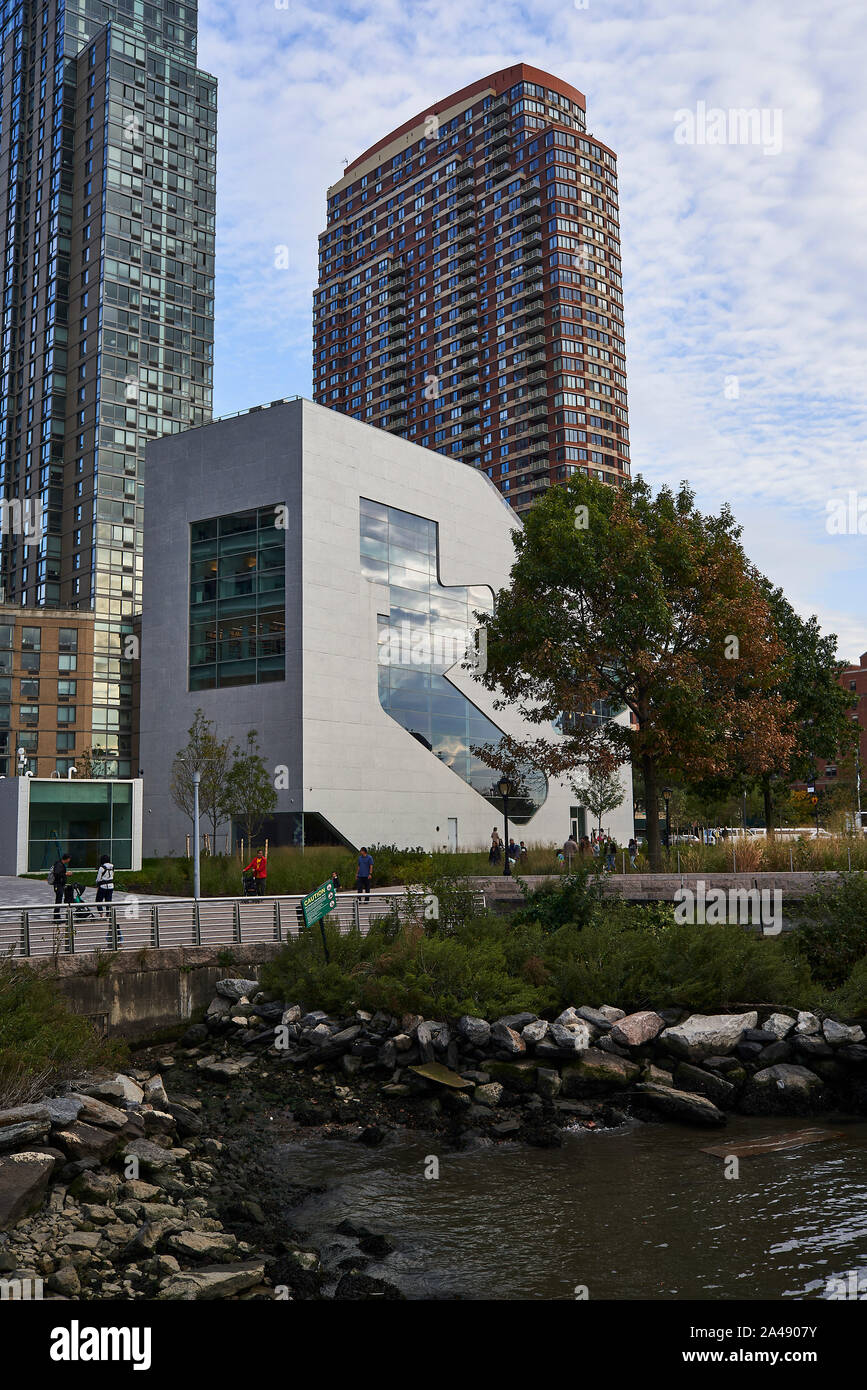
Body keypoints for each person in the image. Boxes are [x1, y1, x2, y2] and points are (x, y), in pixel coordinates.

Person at [50, 853, 72, 920]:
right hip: (58, 885)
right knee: (58, 901)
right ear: (67, 859)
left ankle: (57, 916)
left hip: (60, 885)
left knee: (58, 900)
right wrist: (66, 874)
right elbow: (57, 874)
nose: (69, 860)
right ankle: (56, 917)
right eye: (69, 859)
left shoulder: (60, 864)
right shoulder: (59, 864)